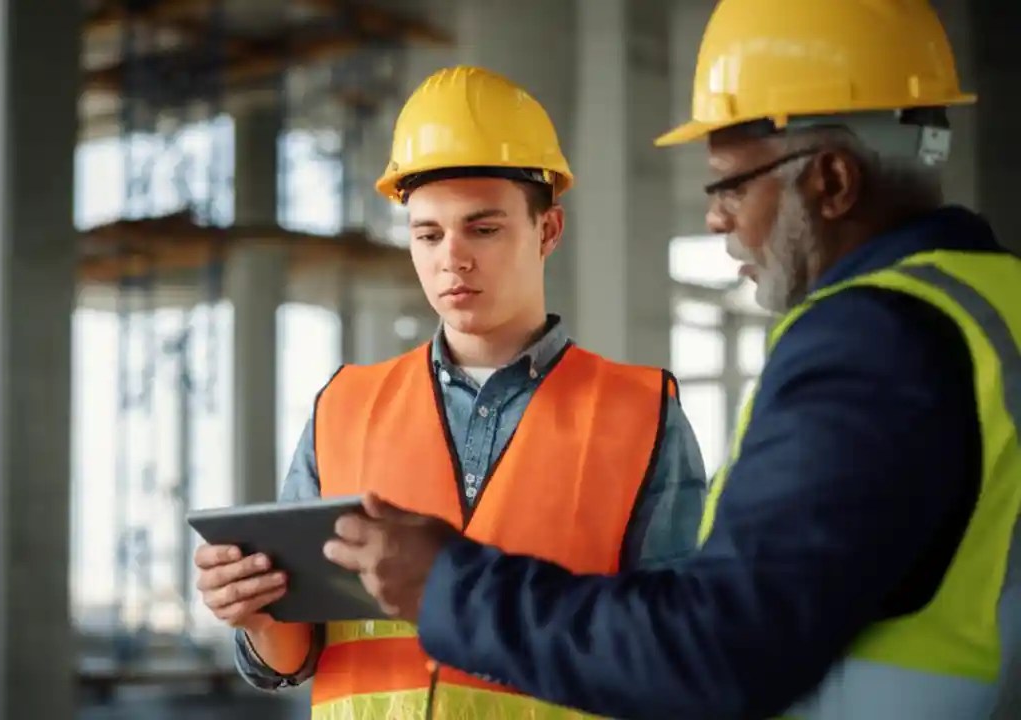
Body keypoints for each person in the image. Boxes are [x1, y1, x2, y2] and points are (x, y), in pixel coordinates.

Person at [323, 1, 1021, 718]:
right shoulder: (992, 302)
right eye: (427, 233)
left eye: (732, 185)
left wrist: (450, 589)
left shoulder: (872, 339)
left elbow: (717, 645)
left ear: (834, 182)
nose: (715, 216)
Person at [191, 65, 708, 718]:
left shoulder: (641, 415)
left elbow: (680, 645)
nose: (451, 259)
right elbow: (297, 652)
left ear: (548, 231)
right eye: (428, 234)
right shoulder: (344, 409)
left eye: (483, 229)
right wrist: (257, 614)